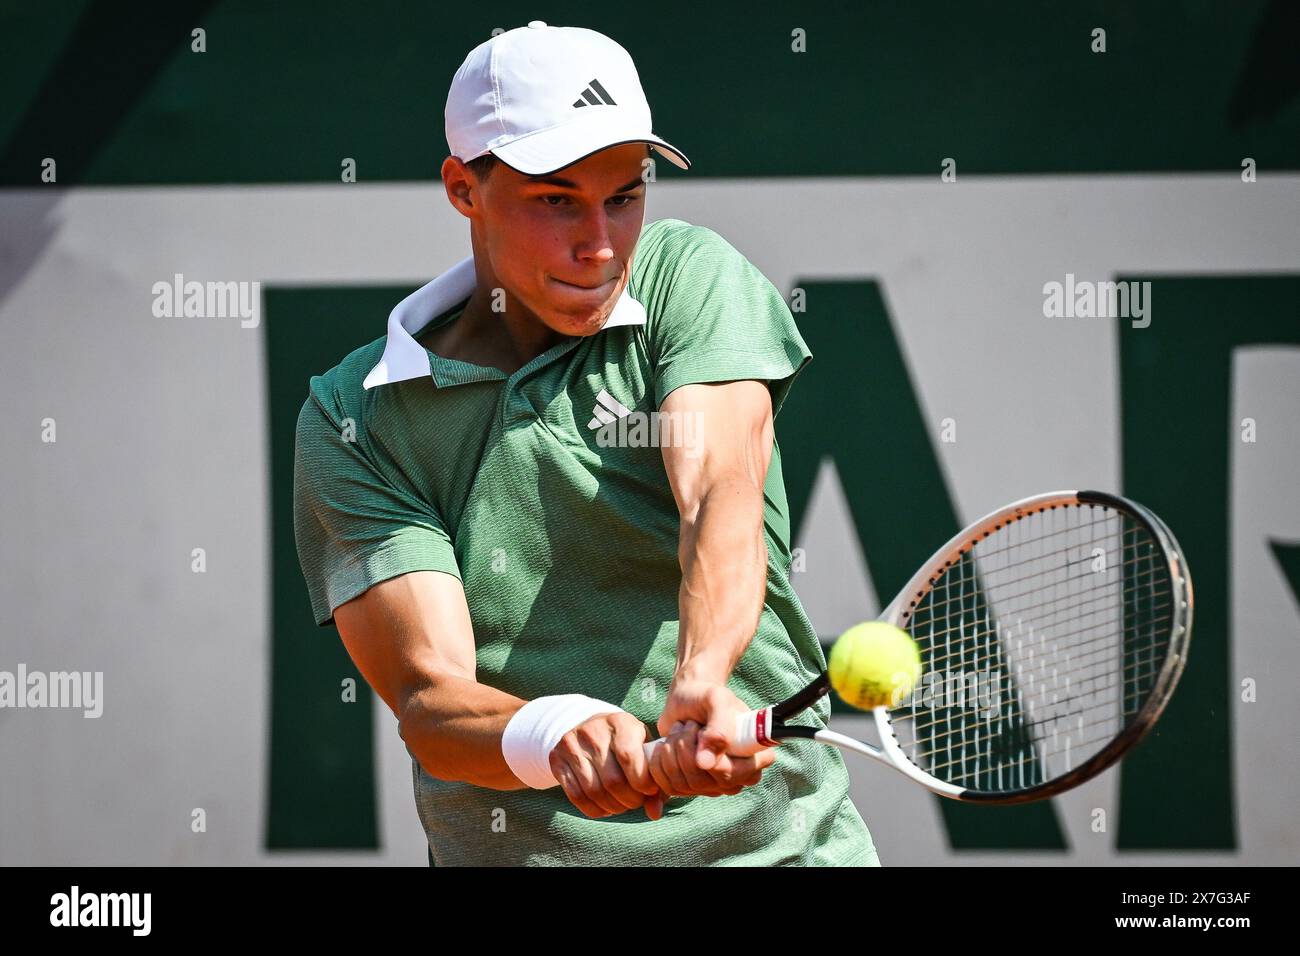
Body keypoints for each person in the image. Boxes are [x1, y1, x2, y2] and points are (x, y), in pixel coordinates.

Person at [292, 21, 879, 866]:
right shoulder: (356, 416)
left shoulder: (689, 276)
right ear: (463, 188)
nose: (602, 244)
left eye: (625, 195)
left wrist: (702, 678)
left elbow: (720, 487)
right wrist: (552, 731)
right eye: (556, 199)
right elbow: (430, 700)